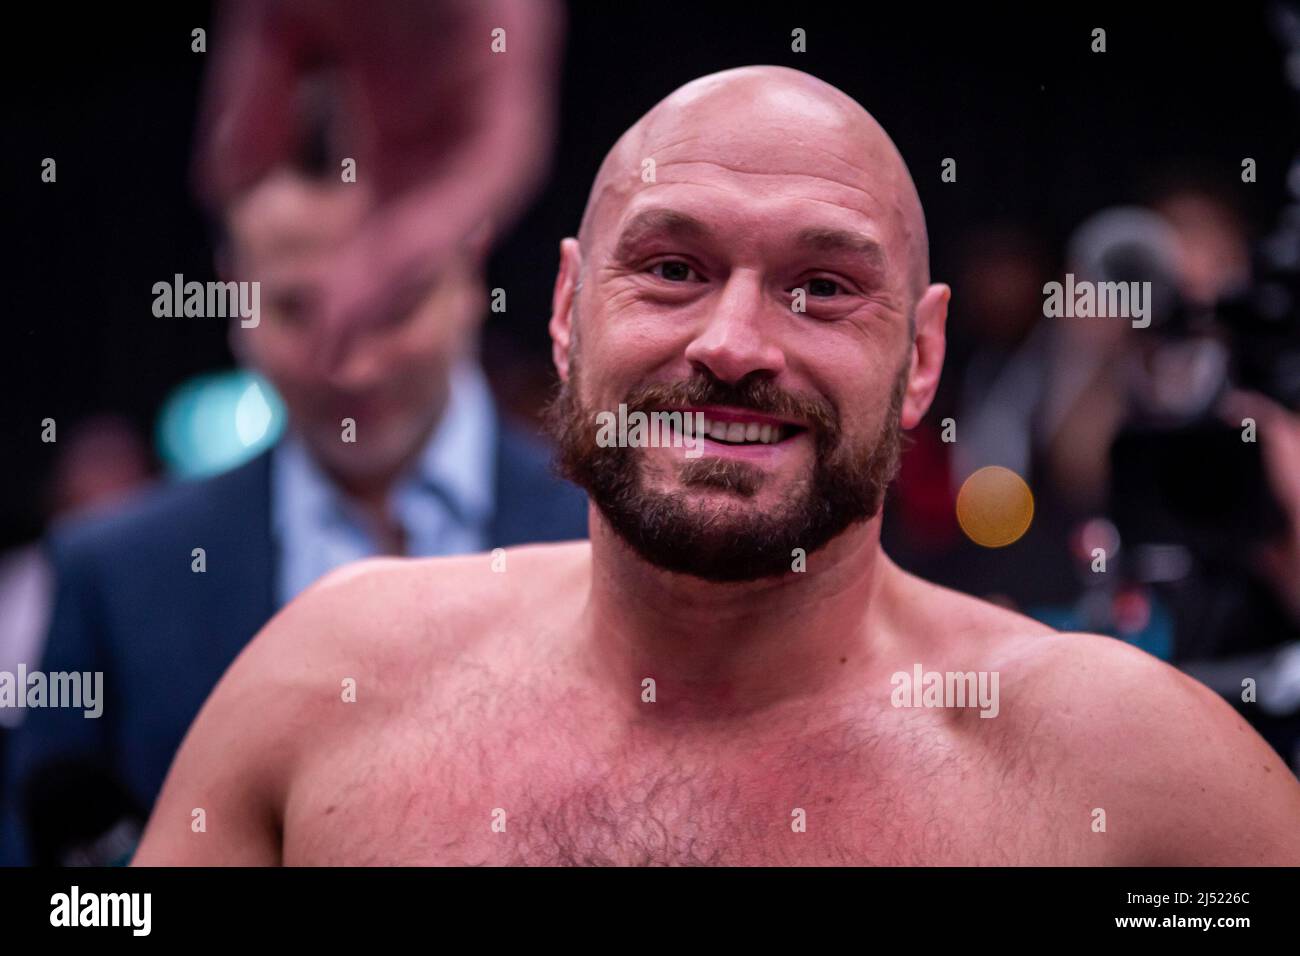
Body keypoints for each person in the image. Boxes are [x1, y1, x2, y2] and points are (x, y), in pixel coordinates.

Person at [133, 66, 1300, 866]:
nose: (734, 344)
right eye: (673, 268)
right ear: (564, 310)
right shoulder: (331, 680)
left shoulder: (1114, 759)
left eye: (823, 287)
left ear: (921, 355)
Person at [1, 167, 586, 866]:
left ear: (471, 260)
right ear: (232, 290)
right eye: (296, 310)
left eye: (394, 305)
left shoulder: (608, 535)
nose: (354, 364)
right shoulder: (112, 574)